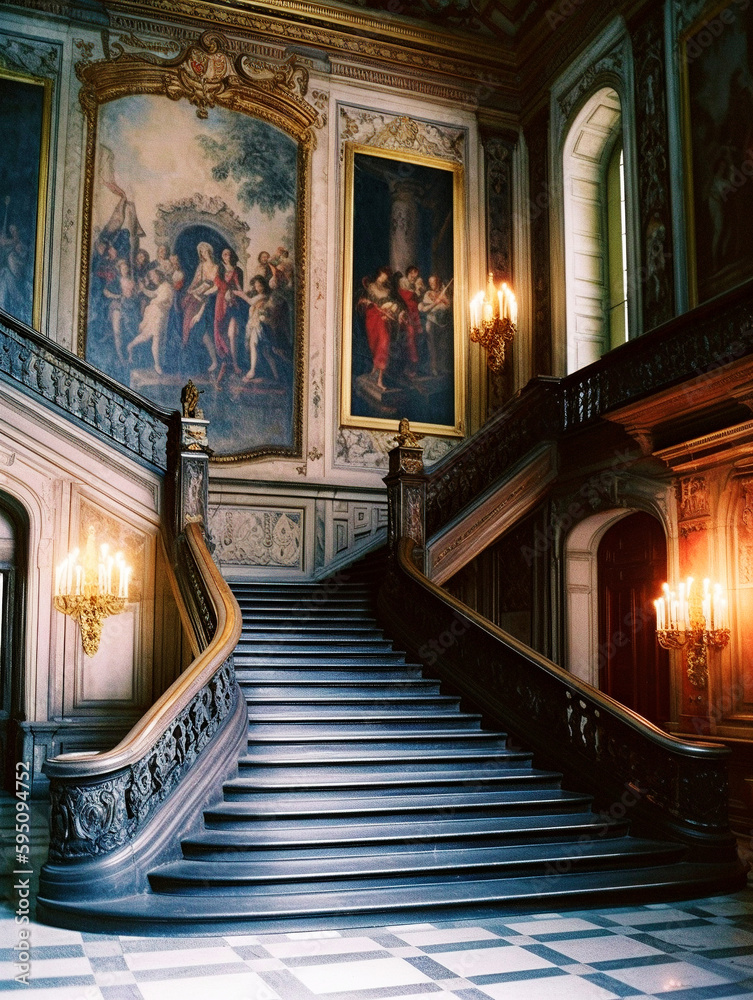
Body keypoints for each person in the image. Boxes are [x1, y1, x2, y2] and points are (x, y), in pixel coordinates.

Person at [357, 266, 401, 391]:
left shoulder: (387, 290)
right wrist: (365, 302)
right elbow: (362, 301)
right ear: (378, 275)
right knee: (374, 344)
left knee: (384, 343)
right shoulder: (370, 286)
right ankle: (374, 369)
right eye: (382, 275)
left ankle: (380, 379)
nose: (383, 278)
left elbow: (392, 303)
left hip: (383, 319)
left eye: (386, 276)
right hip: (372, 318)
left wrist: (392, 309)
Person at [182, 241, 221, 374]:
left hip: (209, 300)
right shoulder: (201, 266)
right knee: (192, 328)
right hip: (197, 299)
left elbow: (216, 285)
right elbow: (195, 282)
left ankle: (214, 361)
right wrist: (191, 291)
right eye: (201, 252)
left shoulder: (216, 267)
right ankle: (196, 363)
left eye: (205, 251)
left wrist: (206, 292)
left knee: (205, 332)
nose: (203, 253)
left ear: (209, 251)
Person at [127, 267, 174, 374]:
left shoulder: (167, 286)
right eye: (152, 278)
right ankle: (157, 365)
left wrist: (155, 301)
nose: (153, 279)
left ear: (159, 275)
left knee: (149, 337)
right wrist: (144, 289)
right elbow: (154, 295)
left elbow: (165, 300)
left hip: (160, 314)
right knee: (154, 337)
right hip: (155, 314)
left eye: (153, 277)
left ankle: (130, 345)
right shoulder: (162, 286)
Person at [214, 247, 244, 375]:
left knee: (232, 334)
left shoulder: (237, 271)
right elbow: (216, 286)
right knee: (221, 330)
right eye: (224, 254)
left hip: (233, 302)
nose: (227, 256)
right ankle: (226, 359)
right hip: (220, 302)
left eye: (229, 254)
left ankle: (235, 364)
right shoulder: (219, 270)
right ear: (222, 257)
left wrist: (236, 294)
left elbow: (239, 288)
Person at [418, 274, 452, 376]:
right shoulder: (428, 294)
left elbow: (448, 307)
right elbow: (425, 309)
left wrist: (443, 300)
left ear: (438, 282)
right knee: (432, 347)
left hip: (442, 323)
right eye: (430, 283)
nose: (432, 284)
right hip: (431, 322)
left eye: (434, 282)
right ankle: (434, 368)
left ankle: (442, 367)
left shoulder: (443, 293)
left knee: (442, 346)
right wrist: (436, 303)